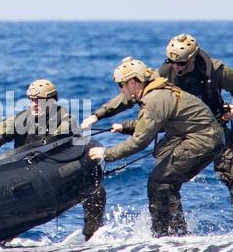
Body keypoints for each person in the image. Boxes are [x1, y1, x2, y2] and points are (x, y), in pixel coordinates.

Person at [82, 33, 233, 231]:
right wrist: (99, 116)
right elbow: (132, 98)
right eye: (172, 62)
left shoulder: (213, 69)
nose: (176, 67)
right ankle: (176, 229)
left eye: (181, 63)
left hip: (212, 126)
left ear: (193, 58)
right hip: (179, 129)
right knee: (162, 176)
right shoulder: (162, 75)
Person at [87, 57, 223, 237]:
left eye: (121, 85)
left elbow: (140, 141)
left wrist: (107, 153)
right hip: (200, 136)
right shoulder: (154, 92)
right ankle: (177, 232)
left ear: (134, 83)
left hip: (204, 139)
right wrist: (123, 125)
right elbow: (150, 122)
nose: (120, 90)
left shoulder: (153, 99)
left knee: (160, 182)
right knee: (165, 182)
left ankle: (162, 236)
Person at [0, 79, 106, 240]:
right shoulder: (21, 119)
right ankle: (0, 240)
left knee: (96, 190)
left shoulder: (65, 119)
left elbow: (60, 142)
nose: (34, 104)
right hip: (24, 173)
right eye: (31, 100)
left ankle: (91, 235)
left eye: (39, 100)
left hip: (55, 171)